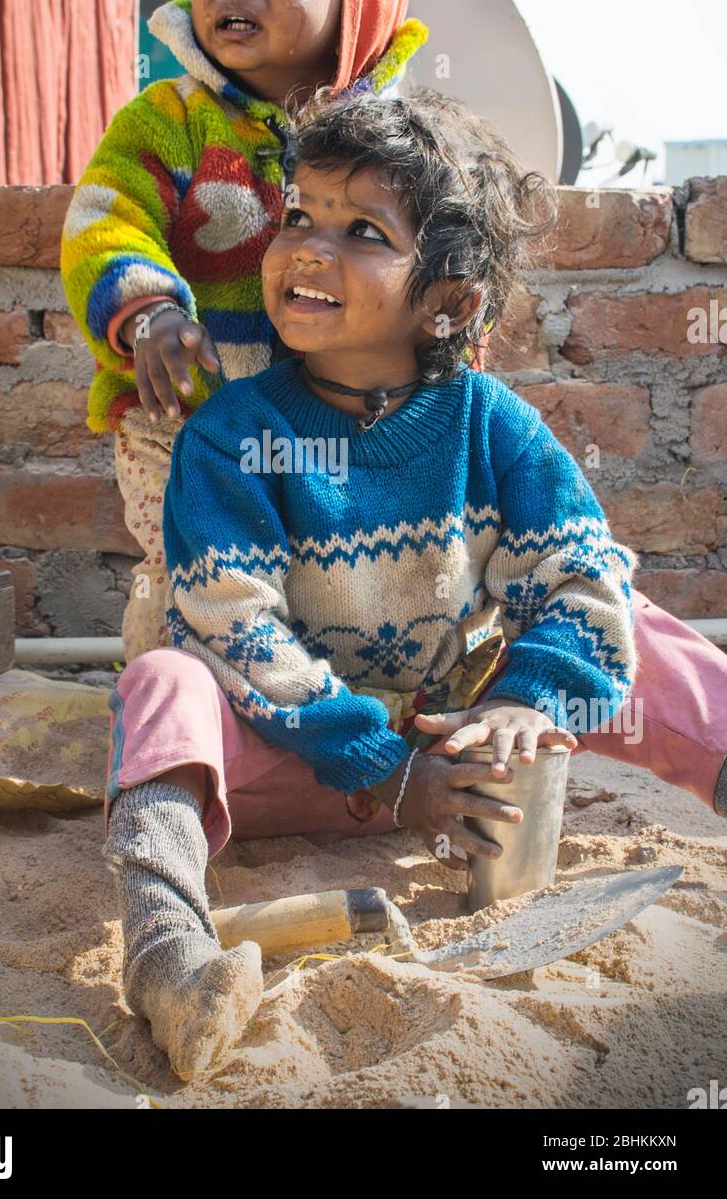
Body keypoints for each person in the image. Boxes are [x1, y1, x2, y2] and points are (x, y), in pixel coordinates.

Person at [100, 89, 720, 1084]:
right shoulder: (229, 438)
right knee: (164, 684)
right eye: (297, 215)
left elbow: (579, 571)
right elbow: (235, 629)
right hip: (289, 766)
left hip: (456, 746)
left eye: (361, 232)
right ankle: (169, 954)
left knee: (638, 627)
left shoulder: (490, 426)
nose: (306, 247)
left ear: (448, 301)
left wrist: (521, 699)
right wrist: (394, 777)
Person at [59, 0, 425, 659]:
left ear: (357, 1)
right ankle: (170, 735)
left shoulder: (388, 150)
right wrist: (148, 310)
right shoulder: (169, 118)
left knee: (324, 592)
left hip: (335, 428)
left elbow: (439, 265)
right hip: (181, 421)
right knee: (192, 587)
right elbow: (103, 218)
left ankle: (307, 731)